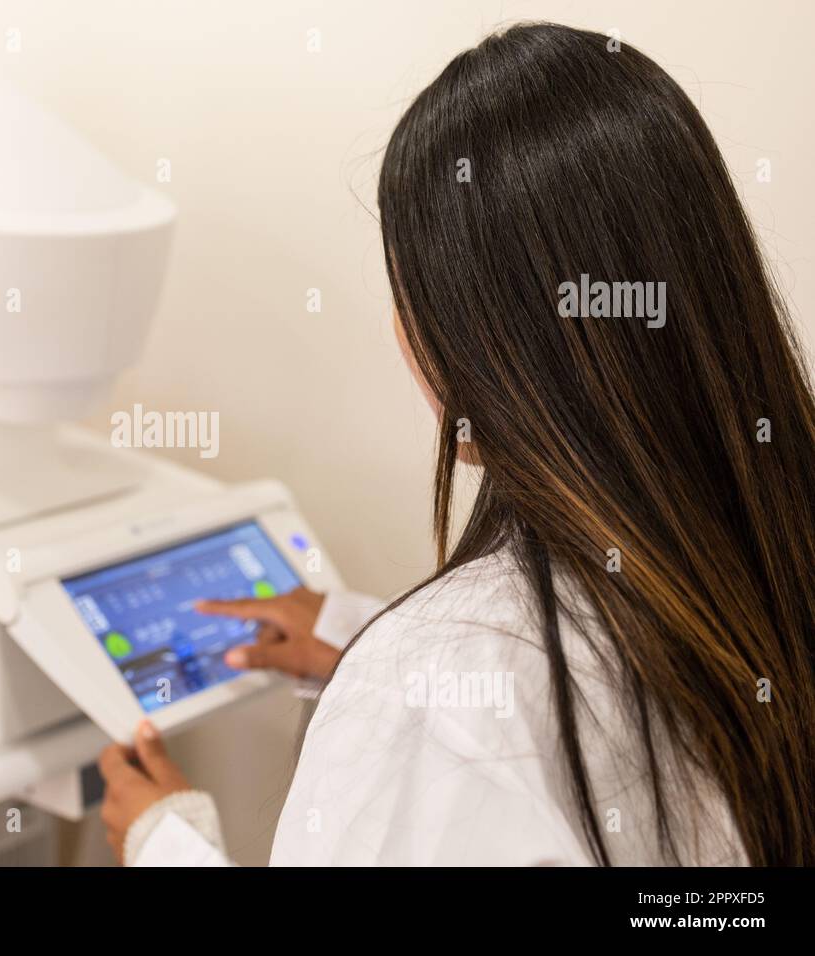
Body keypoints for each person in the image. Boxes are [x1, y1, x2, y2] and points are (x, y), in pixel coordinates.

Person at [99, 22, 815, 867]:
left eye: (408, 293)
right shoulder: (780, 535)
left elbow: (518, 728)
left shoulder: (431, 694)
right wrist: (366, 641)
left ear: (466, 334)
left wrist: (165, 842)